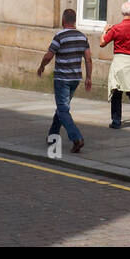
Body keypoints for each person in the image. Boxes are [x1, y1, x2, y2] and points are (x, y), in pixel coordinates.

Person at [37, 8, 91, 152]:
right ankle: (52, 136)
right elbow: (88, 59)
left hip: (62, 78)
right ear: (74, 21)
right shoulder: (82, 37)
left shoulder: (60, 36)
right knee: (62, 108)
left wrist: (42, 66)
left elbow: (49, 55)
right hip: (75, 78)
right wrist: (89, 77)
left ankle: (76, 137)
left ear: (63, 21)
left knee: (62, 109)